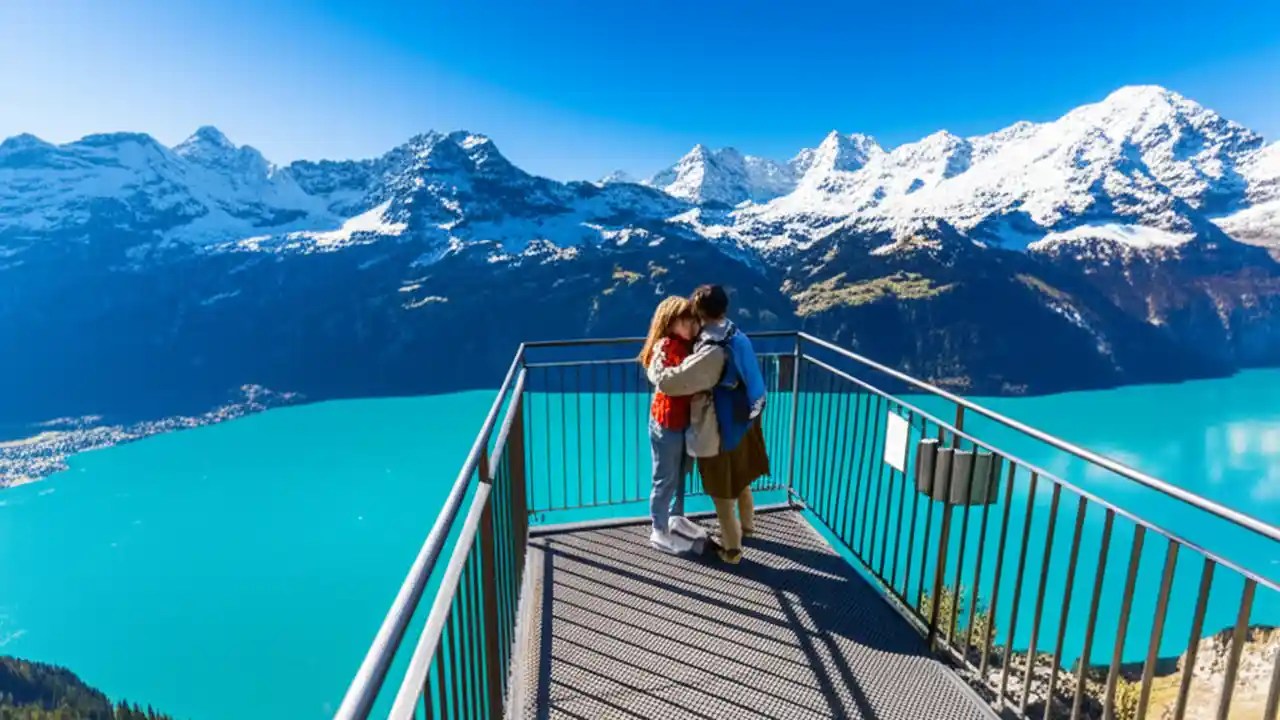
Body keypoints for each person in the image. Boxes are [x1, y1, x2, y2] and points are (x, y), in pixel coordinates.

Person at [649, 285, 770, 564]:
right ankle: (748, 527)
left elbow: (671, 382)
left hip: (721, 427)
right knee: (740, 479)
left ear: (700, 314)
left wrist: (656, 362)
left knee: (722, 493)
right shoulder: (734, 333)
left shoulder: (712, 351)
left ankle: (732, 551)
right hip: (744, 422)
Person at [638, 296, 707, 554]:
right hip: (666, 423)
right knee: (664, 477)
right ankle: (658, 529)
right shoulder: (666, 346)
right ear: (669, 322)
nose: (690, 325)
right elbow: (659, 375)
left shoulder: (690, 345)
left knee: (680, 473)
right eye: (683, 320)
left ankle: (676, 517)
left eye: (692, 319)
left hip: (683, 421)